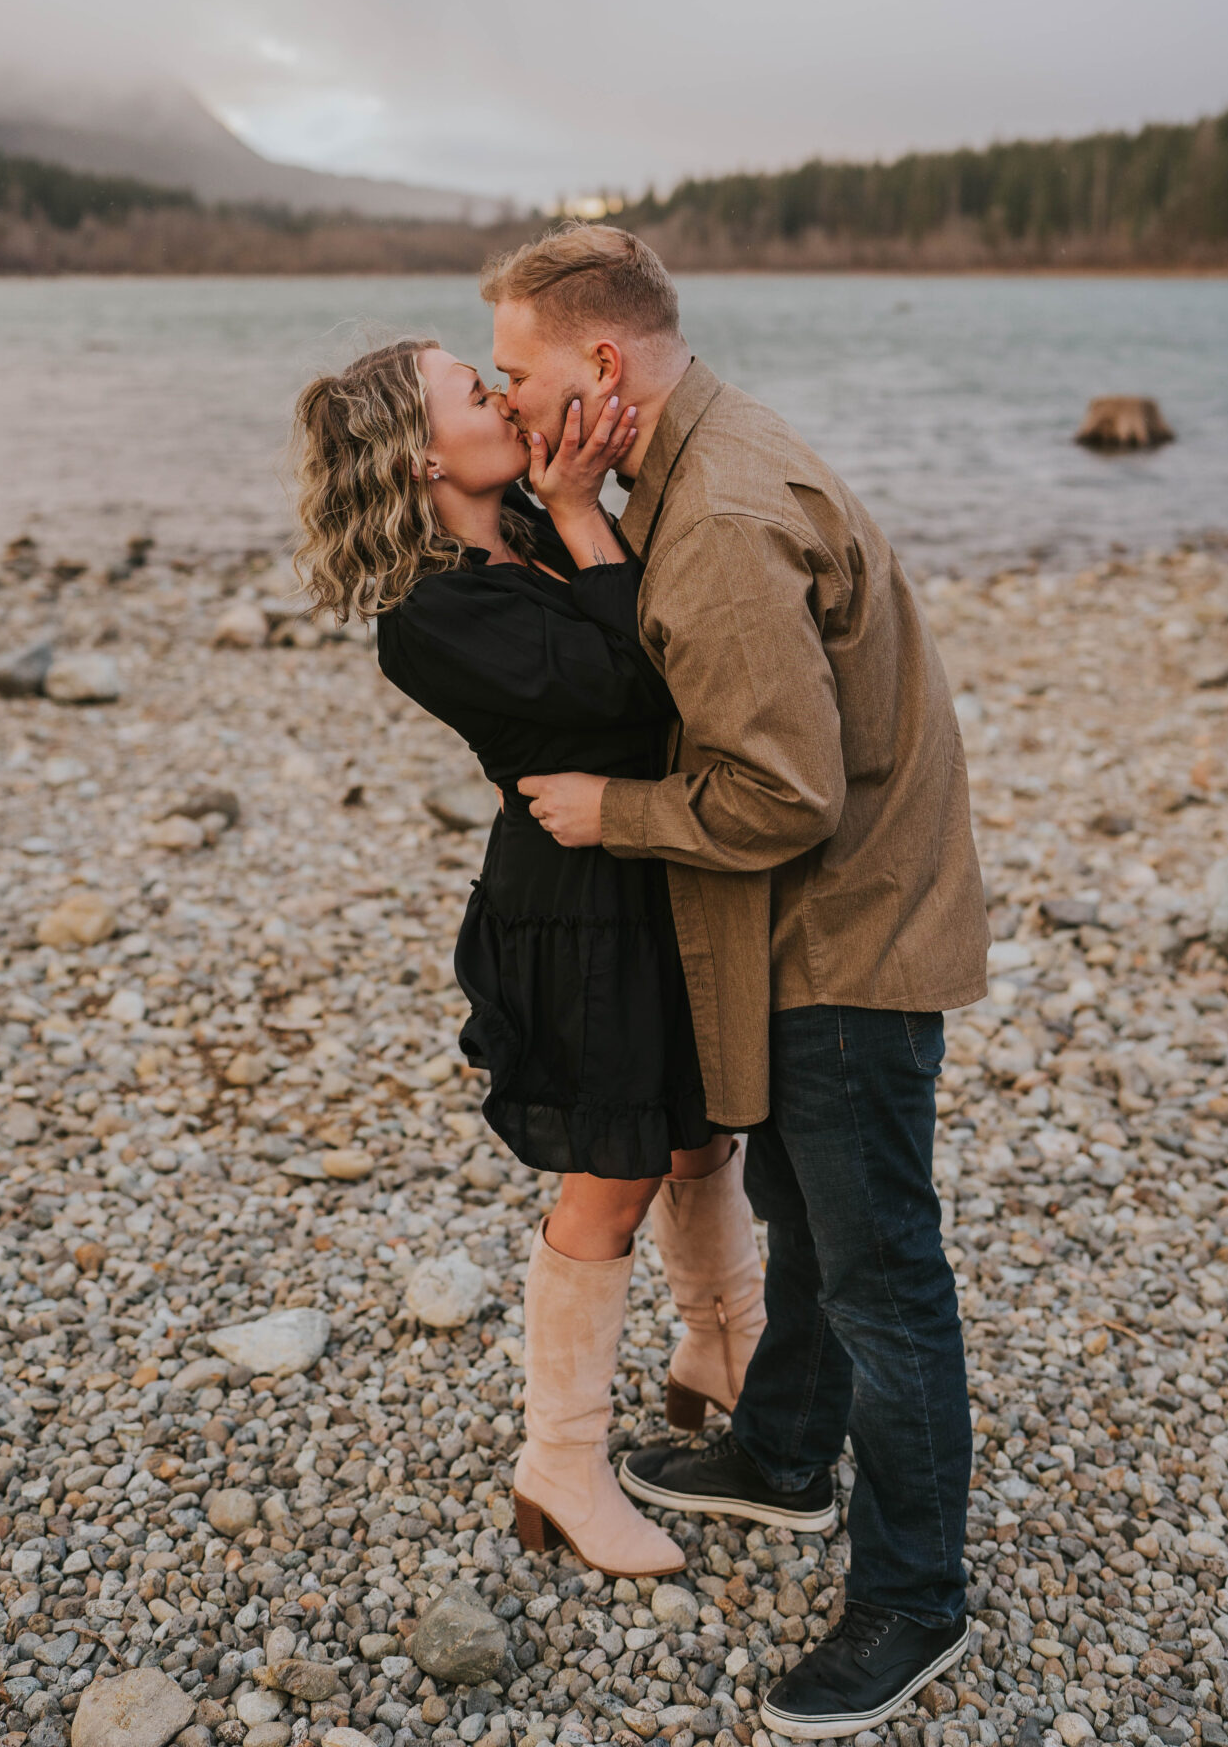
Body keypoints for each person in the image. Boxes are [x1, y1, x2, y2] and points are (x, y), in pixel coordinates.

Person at [481, 226, 991, 1740]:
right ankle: (778, 1459)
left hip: (845, 942)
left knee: (885, 1279)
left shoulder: (715, 519)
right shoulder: (700, 460)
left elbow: (782, 799)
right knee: (806, 1223)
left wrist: (609, 811)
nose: (508, 408)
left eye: (515, 375)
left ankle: (914, 1599)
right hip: (836, 924)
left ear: (602, 366)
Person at [290, 339, 766, 1582]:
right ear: (420, 453)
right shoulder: (430, 613)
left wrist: (572, 508)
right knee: (609, 1175)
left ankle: (727, 1349)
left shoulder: (540, 533)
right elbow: (640, 685)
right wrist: (572, 504)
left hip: (659, 863)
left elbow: (677, 628)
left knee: (700, 1132)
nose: (505, 396)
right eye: (473, 389)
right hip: (571, 911)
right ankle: (561, 1458)